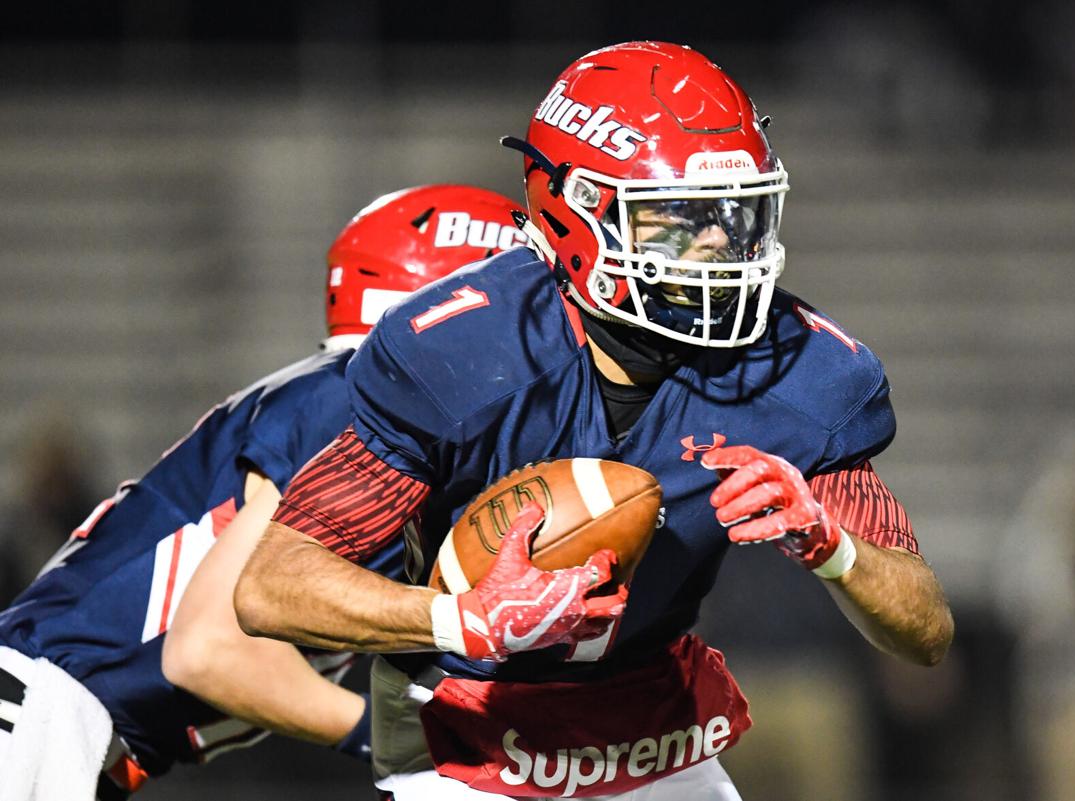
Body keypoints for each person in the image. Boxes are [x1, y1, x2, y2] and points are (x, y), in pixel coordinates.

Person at [235, 41, 954, 801]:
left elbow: (927, 629)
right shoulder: (467, 351)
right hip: (464, 726)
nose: (719, 243)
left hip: (651, 727)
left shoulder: (797, 370)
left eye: (732, 213)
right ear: (576, 213)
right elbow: (273, 584)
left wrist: (833, 545)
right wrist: (465, 618)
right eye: (680, 217)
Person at [0, 184, 526, 801]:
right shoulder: (360, 402)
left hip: (66, 731)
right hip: (39, 720)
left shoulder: (355, 401)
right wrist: (391, 737)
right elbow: (208, 649)